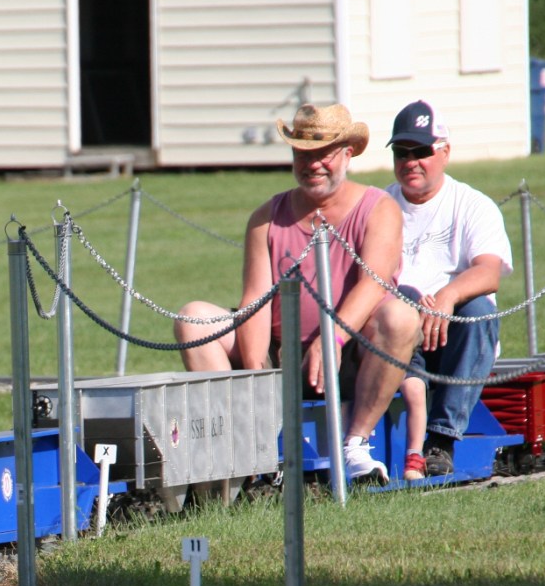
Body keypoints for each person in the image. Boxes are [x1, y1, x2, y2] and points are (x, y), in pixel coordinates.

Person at [175, 102, 414, 484]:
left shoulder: (379, 208)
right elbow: (255, 299)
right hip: (280, 352)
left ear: (347, 154)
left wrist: (330, 339)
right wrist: (255, 374)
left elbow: (374, 285)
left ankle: (355, 442)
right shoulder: (266, 217)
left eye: (323, 153)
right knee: (193, 318)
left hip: (349, 351)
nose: (312, 164)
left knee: (400, 318)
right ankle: (239, 444)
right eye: (302, 153)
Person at [383, 100, 512, 481]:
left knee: (478, 311)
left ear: (445, 151)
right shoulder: (379, 207)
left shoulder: (472, 205)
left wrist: (446, 297)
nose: (411, 162)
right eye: (402, 152)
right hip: (395, 335)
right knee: (402, 297)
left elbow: (489, 272)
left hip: (453, 339)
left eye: (421, 151)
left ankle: (441, 440)